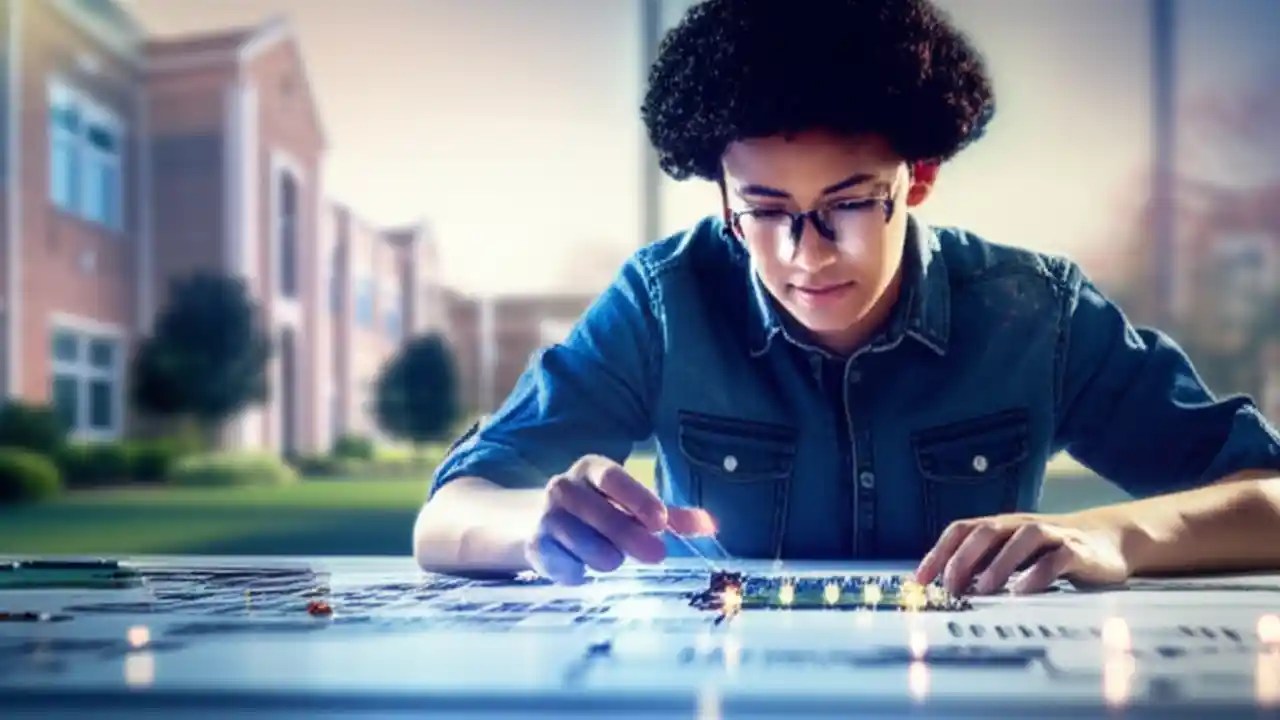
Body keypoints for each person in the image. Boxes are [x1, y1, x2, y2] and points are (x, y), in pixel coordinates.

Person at [414, 0, 1280, 594]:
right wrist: (536, 524)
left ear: (921, 177)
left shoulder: (1036, 313)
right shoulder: (662, 303)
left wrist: (1115, 536)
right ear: (723, 200)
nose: (807, 255)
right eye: (765, 211)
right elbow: (449, 514)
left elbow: (1269, 495)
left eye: (849, 204)